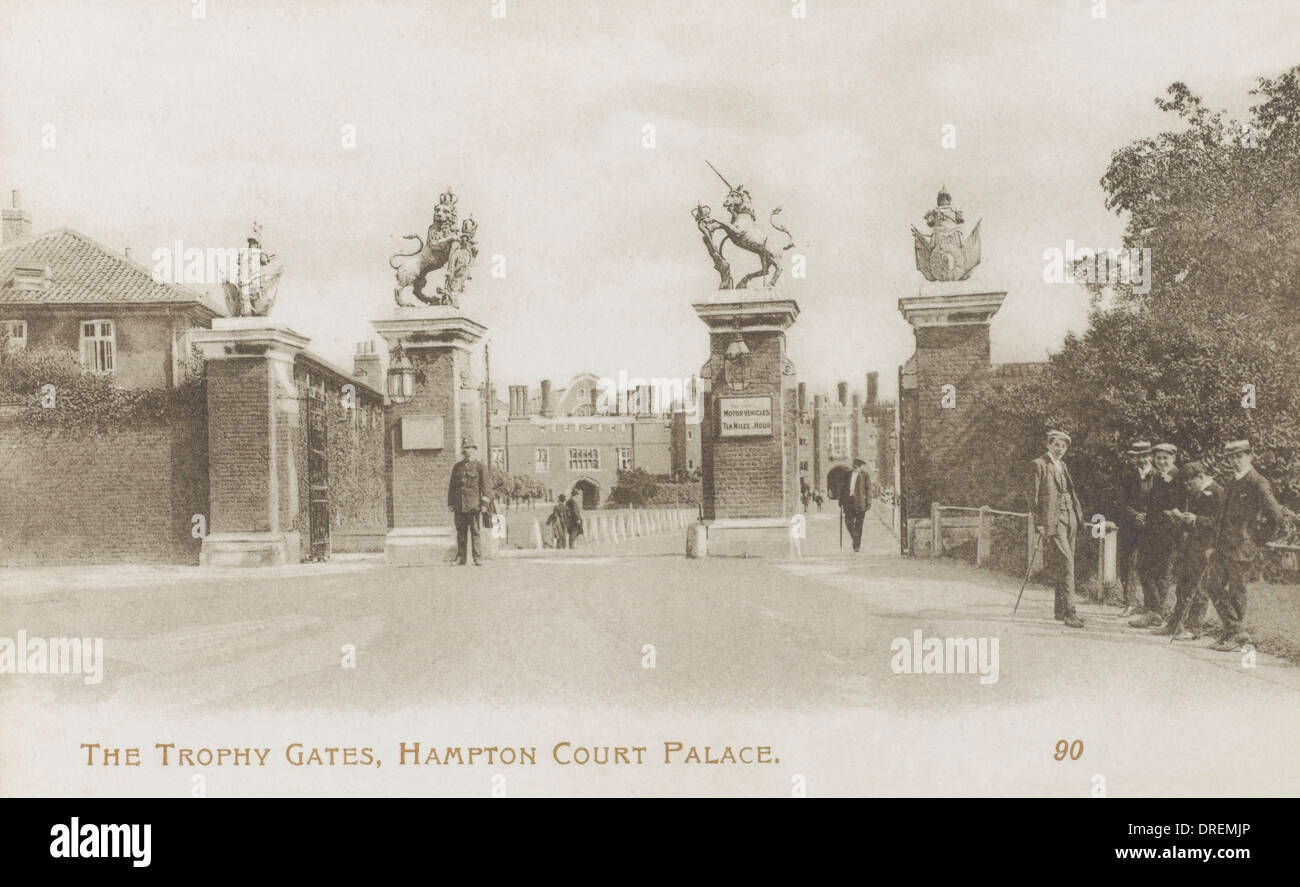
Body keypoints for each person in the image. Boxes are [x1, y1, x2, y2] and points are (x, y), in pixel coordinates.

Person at [1207, 440, 1284, 652]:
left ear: (1250, 456)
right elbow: (1221, 517)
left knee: (1236, 590)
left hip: (1242, 548)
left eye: (1239, 456)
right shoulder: (1231, 481)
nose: (1235, 461)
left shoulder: (1257, 482)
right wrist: (1214, 544)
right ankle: (1234, 631)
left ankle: (1233, 634)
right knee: (1212, 585)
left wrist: (1258, 540)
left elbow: (1276, 517)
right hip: (1223, 546)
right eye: (1231, 457)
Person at [1030, 430, 1085, 628]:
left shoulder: (1063, 465)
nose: (1060, 449)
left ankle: (1060, 611)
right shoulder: (1039, 465)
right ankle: (1071, 612)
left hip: (1070, 517)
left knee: (1065, 565)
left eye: (1063, 446)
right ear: (1048, 445)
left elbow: (1068, 491)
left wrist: (1077, 517)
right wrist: (1040, 523)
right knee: (1067, 563)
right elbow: (1033, 498)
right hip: (1053, 520)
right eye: (1056, 445)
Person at [1164, 461, 1223, 640]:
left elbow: (1220, 524)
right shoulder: (1197, 492)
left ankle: (1194, 628)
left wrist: (1196, 519)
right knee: (1183, 586)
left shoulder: (1218, 492)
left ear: (1201, 476)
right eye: (1186, 485)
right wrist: (1182, 519)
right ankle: (1175, 625)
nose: (1188, 488)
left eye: (1190, 483)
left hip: (1207, 547)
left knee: (1200, 588)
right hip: (1191, 545)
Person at [1130, 443, 1183, 629]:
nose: (1161, 461)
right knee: (1143, 568)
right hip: (1151, 531)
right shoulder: (1159, 477)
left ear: (1173, 458)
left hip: (1168, 533)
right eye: (1158, 458)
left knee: (1160, 573)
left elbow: (1179, 504)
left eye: (1165, 458)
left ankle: (1156, 612)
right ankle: (1153, 609)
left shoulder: (1178, 477)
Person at [1117, 440, 1154, 618]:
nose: (1142, 460)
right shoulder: (1126, 476)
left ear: (1151, 456)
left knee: (1148, 565)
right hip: (1130, 526)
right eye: (1139, 456)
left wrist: (1149, 516)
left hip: (1151, 527)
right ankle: (1130, 603)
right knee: (1128, 564)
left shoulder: (1158, 476)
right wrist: (1134, 515)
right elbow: (1120, 502)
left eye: (1145, 455)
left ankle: (1150, 605)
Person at [447, 439, 489, 566]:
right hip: (459, 506)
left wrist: (484, 504)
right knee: (461, 533)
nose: (467, 451)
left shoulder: (480, 466)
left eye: (470, 448)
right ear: (462, 451)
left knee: (475, 532)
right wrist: (450, 503)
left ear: (474, 450)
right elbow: (452, 486)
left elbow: (485, 487)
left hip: (474, 506)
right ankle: (461, 558)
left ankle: (477, 557)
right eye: (465, 448)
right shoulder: (457, 467)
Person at [843, 459, 871, 552]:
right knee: (848, 522)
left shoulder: (865, 475)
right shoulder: (848, 474)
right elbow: (843, 488)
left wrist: (869, 502)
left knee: (859, 524)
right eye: (854, 465)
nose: (855, 467)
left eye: (857, 465)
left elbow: (868, 489)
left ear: (860, 466)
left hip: (860, 502)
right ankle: (855, 537)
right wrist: (841, 501)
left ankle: (857, 546)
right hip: (849, 501)